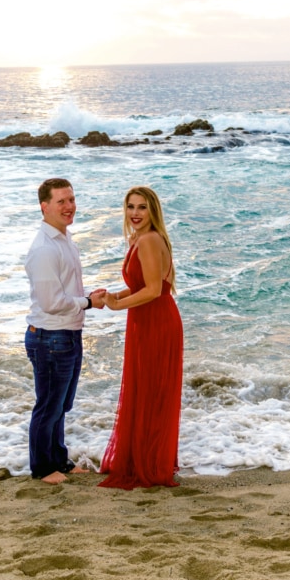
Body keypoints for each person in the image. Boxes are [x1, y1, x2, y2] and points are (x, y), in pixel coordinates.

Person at [99, 186, 183, 490]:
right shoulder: (140, 239)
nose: (135, 213)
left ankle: (149, 463)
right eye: (131, 207)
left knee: (151, 390)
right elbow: (143, 285)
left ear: (153, 211)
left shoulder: (148, 240)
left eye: (142, 207)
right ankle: (146, 458)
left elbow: (152, 290)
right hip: (149, 317)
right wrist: (113, 296)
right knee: (147, 389)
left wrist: (119, 305)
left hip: (156, 320)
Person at [25, 177, 106, 484]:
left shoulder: (63, 239)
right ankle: (42, 469)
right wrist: (87, 302)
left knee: (61, 404)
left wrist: (87, 299)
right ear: (44, 206)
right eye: (61, 201)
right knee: (48, 406)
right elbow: (50, 302)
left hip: (67, 334)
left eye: (71, 199)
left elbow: (64, 292)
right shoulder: (45, 248)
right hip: (50, 336)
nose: (69, 206)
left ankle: (60, 460)